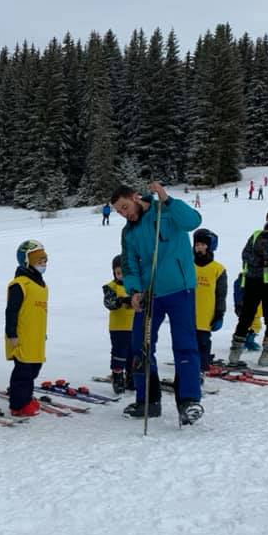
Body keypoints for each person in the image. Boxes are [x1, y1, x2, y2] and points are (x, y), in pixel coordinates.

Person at [112, 181, 203, 424]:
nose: (124, 214)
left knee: (184, 345)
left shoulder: (166, 210)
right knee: (140, 345)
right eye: (119, 212)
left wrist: (167, 200)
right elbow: (129, 263)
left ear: (134, 197)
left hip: (179, 289)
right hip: (149, 294)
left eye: (124, 207)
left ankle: (188, 402)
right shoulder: (129, 232)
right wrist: (133, 291)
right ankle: (148, 401)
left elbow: (193, 222)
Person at [228, 206, 268, 367]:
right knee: (246, 314)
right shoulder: (256, 234)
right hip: (253, 279)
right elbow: (246, 254)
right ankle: (236, 348)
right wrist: (262, 262)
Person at [5, 240, 49, 417]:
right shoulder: (20, 284)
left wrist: (42, 334)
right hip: (21, 337)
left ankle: (26, 397)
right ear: (26, 261)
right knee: (23, 371)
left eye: (45, 260)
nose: (43, 264)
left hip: (36, 337)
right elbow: (11, 311)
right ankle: (18, 404)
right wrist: (12, 333)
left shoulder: (42, 285)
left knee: (34, 369)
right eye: (39, 260)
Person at [193, 229, 226, 372]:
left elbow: (221, 295)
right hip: (188, 314)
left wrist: (219, 314)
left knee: (203, 342)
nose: (199, 247)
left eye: (202, 244)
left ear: (210, 246)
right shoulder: (188, 265)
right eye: (197, 244)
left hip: (206, 316)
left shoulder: (217, 269)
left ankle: (201, 368)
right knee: (188, 343)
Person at [102, 254, 135, 394]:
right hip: (119, 328)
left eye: (124, 272)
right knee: (119, 353)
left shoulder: (135, 286)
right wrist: (121, 301)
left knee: (133, 353)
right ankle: (117, 376)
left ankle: (132, 376)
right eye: (118, 273)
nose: (121, 276)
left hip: (134, 326)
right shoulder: (111, 287)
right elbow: (109, 303)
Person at [233, 272, 262, 351]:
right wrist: (238, 305)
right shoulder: (243, 281)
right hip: (250, 307)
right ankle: (247, 341)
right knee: (254, 325)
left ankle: (245, 340)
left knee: (251, 324)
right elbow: (237, 294)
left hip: (256, 308)